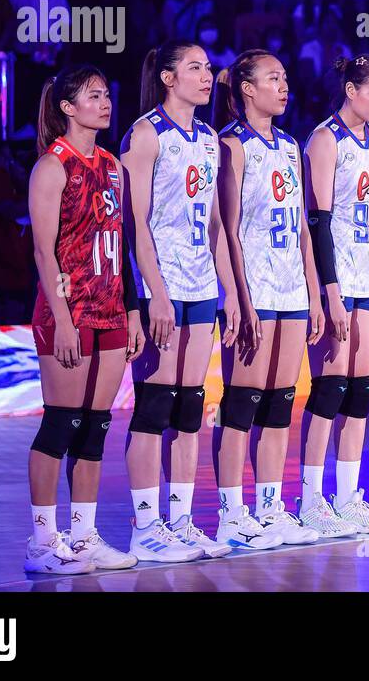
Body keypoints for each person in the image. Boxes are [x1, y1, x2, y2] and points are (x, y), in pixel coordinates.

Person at [121, 42, 240, 562]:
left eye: (209, 68)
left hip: (202, 287)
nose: (207, 75)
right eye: (195, 67)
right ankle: (145, 526)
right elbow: (134, 223)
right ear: (168, 77)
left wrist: (231, 292)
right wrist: (155, 295)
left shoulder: (210, 138)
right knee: (154, 405)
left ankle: (182, 520)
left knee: (191, 406)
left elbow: (215, 226)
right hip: (161, 288)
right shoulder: (146, 133)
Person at [24, 67, 143, 574]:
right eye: (93, 95)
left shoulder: (115, 165)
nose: (105, 101)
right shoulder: (53, 166)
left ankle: (86, 536)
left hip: (111, 308)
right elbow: (43, 252)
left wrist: (133, 311)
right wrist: (63, 319)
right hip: (68, 312)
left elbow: (125, 248)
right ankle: (42, 544)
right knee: (60, 425)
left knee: (95, 427)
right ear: (67, 107)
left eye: (106, 93)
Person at [212, 53, 324, 549]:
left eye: (284, 77)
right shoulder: (230, 145)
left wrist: (315, 292)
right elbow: (228, 230)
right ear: (246, 89)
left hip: (292, 288)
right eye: (272, 78)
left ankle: (270, 504)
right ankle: (230, 511)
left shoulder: (290, 145)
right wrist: (240, 295)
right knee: (242, 402)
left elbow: (301, 227)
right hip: (254, 287)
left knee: (281, 404)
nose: (283, 86)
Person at [301, 54, 369, 535]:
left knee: (361, 391)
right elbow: (316, 220)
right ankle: (311, 499)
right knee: (330, 387)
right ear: (351, 91)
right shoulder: (325, 138)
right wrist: (330, 292)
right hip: (336, 279)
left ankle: (347, 497)